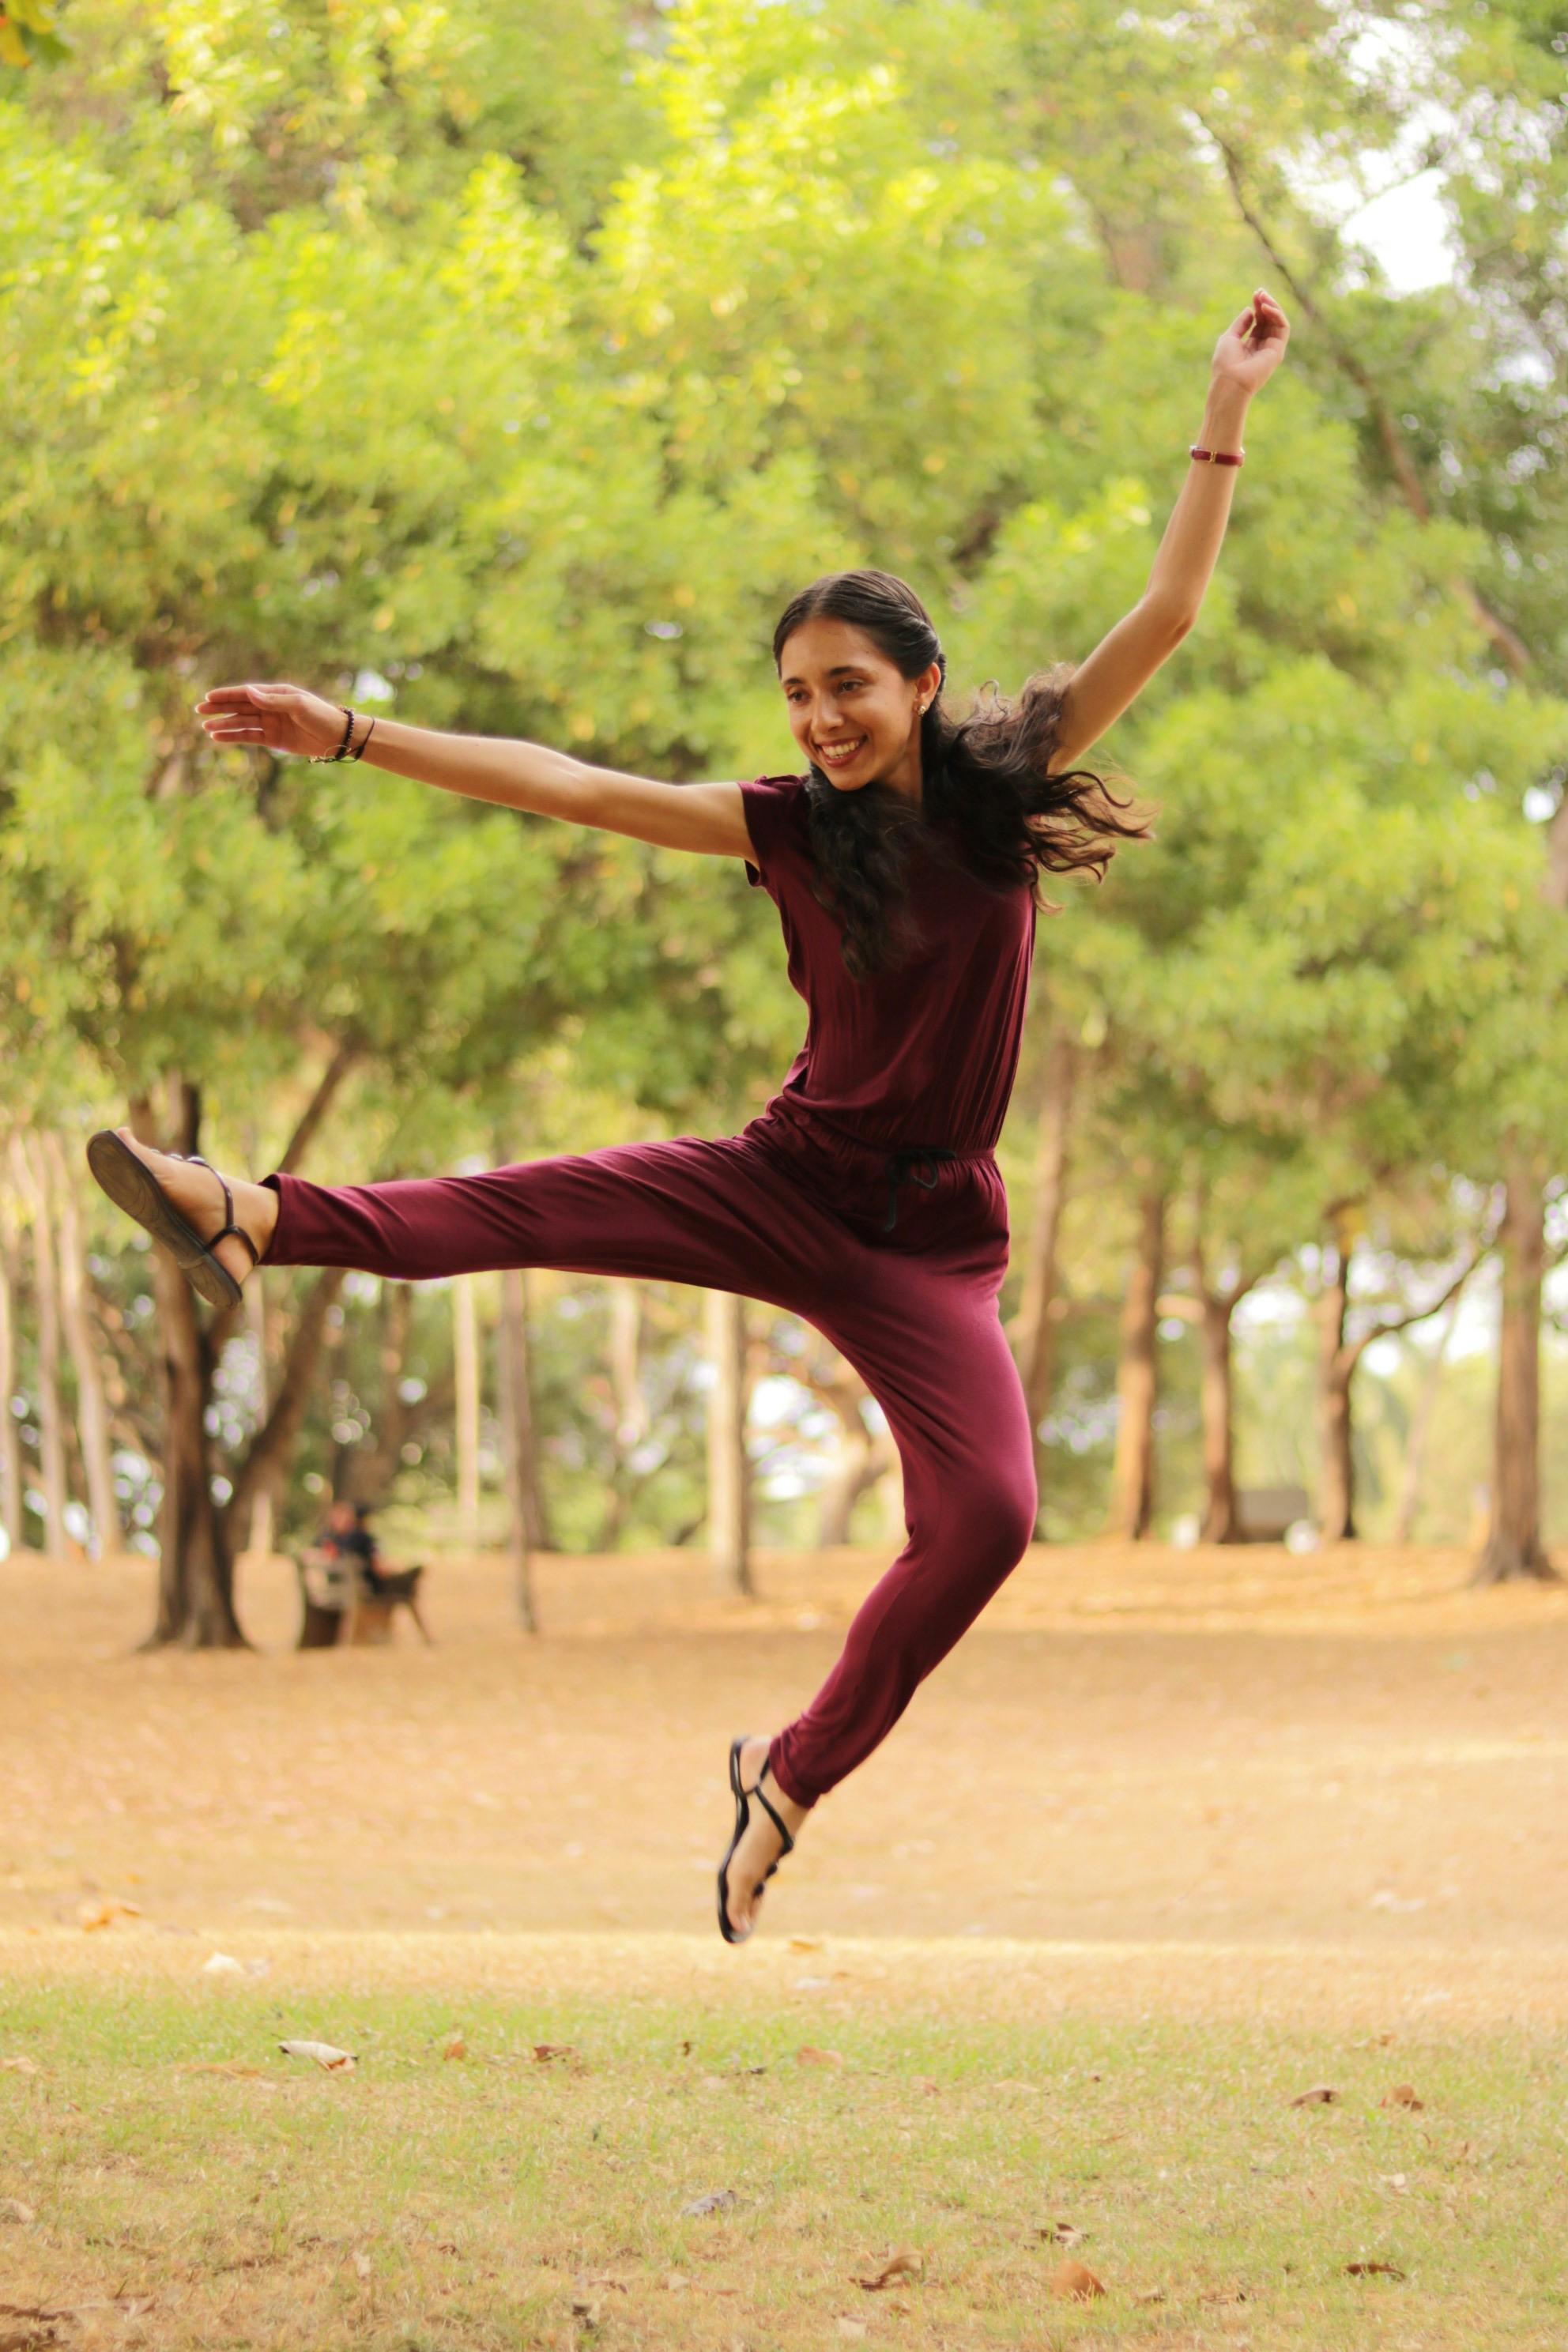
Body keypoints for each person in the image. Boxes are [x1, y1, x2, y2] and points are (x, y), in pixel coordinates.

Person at [87, 289, 1290, 1941]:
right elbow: (569, 783)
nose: (817, 718)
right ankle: (253, 1213)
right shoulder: (788, 827)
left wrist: (1220, 406)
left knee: (991, 1523)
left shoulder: (1002, 786)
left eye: (847, 685)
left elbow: (1163, 610)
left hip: (930, 1241)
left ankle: (783, 1780)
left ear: (922, 684)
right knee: (520, 1206)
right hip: (784, 1181)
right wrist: (351, 731)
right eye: (796, 692)